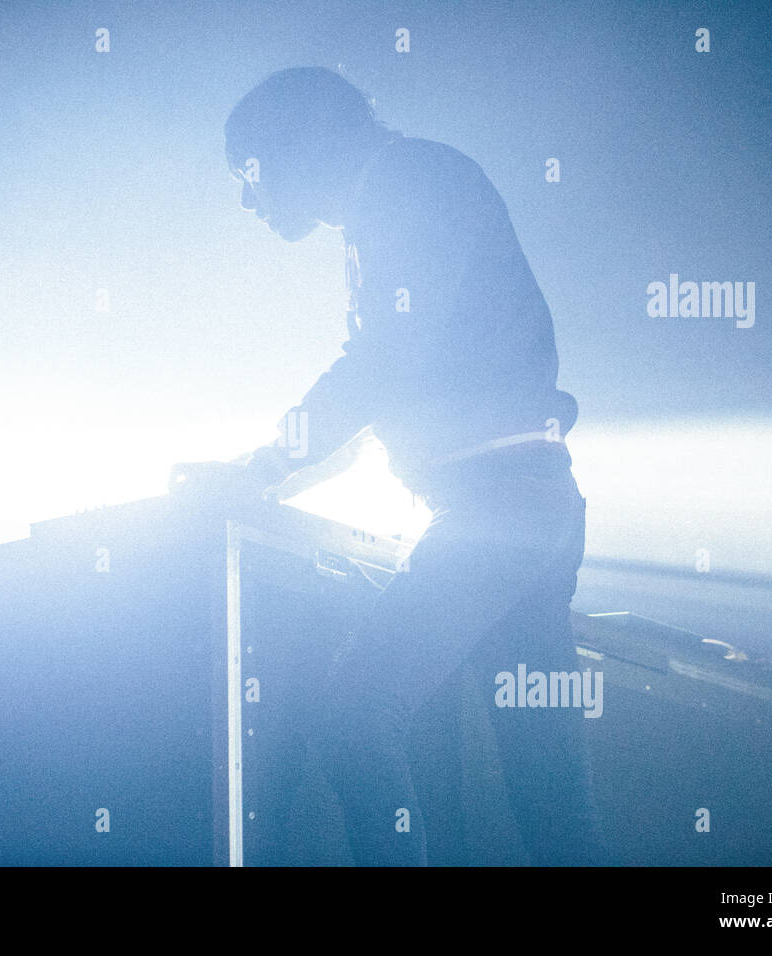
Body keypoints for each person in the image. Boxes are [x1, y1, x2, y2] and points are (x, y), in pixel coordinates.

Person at [188, 66, 601, 865]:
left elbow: (377, 363)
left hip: (496, 514)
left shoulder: (408, 183)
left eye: (251, 172)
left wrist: (263, 466)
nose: (247, 198)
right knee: (550, 803)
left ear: (299, 142)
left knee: (352, 717)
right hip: (527, 507)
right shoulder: (412, 187)